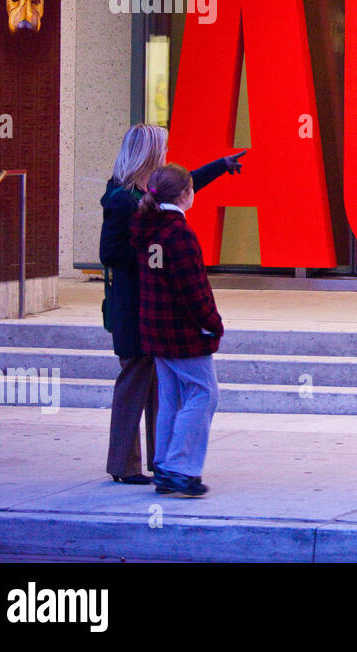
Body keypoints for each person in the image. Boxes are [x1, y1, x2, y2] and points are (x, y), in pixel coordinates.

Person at [99, 125, 243, 484]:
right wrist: (152, 254)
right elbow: (109, 253)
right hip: (133, 305)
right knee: (135, 384)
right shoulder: (122, 199)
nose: (166, 155)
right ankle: (125, 464)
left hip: (148, 301)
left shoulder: (146, 196)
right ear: (148, 154)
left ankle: (160, 462)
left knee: (158, 391)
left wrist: (220, 166)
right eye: (161, 150)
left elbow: (183, 184)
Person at [131, 164, 225, 498]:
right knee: (203, 394)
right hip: (182, 332)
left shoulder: (148, 227)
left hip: (157, 329)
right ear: (185, 194)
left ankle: (165, 464)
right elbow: (192, 288)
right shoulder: (179, 233)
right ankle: (180, 467)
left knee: (171, 397)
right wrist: (212, 322)